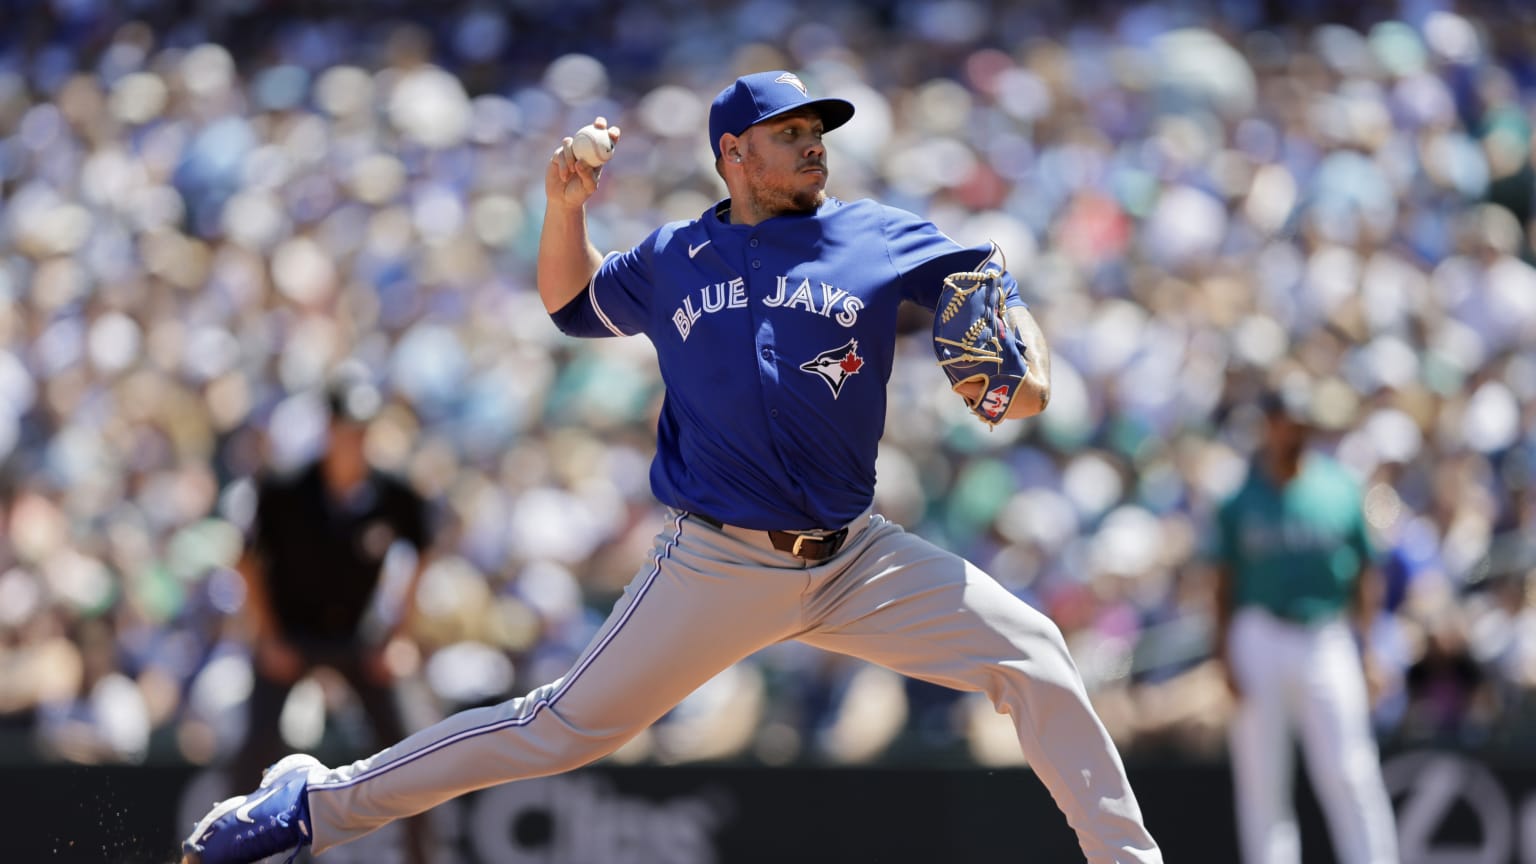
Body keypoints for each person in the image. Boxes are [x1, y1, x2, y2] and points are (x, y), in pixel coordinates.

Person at [181, 70, 1163, 864]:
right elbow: (570, 305)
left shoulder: (873, 234)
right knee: (558, 728)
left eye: (820, 128)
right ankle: (314, 801)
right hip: (719, 563)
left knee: (1031, 652)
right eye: (790, 131)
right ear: (733, 153)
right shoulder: (675, 254)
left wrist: (1018, 346)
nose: (815, 141)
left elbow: (980, 280)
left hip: (857, 557)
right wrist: (564, 206)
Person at [221, 369, 436, 864]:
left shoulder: (393, 494)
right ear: (329, 431)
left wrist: (399, 635)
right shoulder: (285, 488)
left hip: (357, 637)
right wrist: (268, 637)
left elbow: (423, 553)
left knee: (412, 750)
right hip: (290, 634)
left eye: (363, 430)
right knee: (253, 750)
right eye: (346, 429)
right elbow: (245, 560)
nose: (355, 441)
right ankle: (225, 855)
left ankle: (422, 858)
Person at [1211, 383, 1399, 864]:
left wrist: (1370, 649)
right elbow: (1222, 582)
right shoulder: (1240, 498)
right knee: (1262, 780)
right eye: (1280, 421)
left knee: (1351, 770)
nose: (1288, 431)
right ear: (1268, 426)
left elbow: (1365, 573)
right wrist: (1224, 655)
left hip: (1325, 633)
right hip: (1259, 633)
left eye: (1296, 423)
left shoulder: (1339, 487)